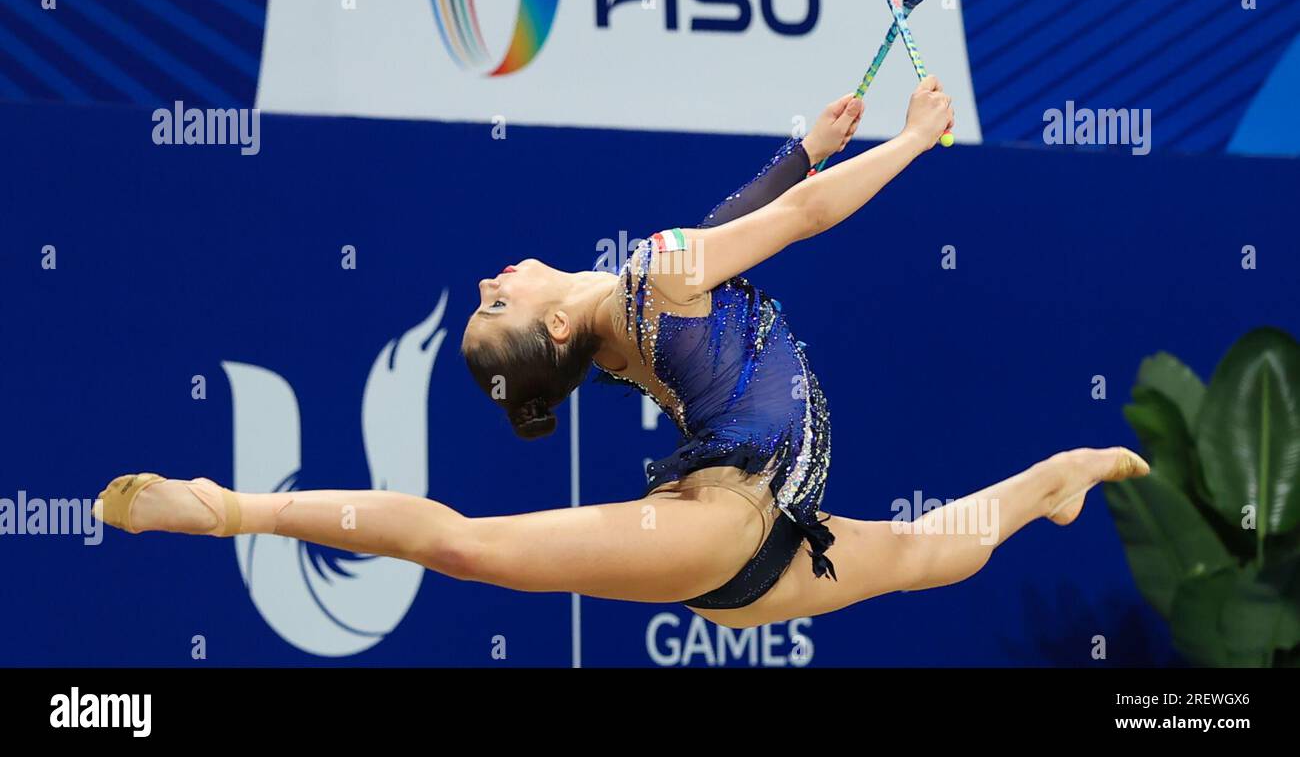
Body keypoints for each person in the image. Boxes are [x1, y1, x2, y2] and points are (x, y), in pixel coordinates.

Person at [96, 77, 1148, 630]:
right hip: (729, 524)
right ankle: (231, 505)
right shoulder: (644, 283)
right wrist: (909, 142)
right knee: (470, 545)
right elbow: (798, 222)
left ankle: (1054, 479)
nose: (486, 283)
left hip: (761, 541)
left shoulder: (629, 320)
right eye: (496, 304)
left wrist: (801, 148)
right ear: (552, 328)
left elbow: (726, 241)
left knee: (928, 554)